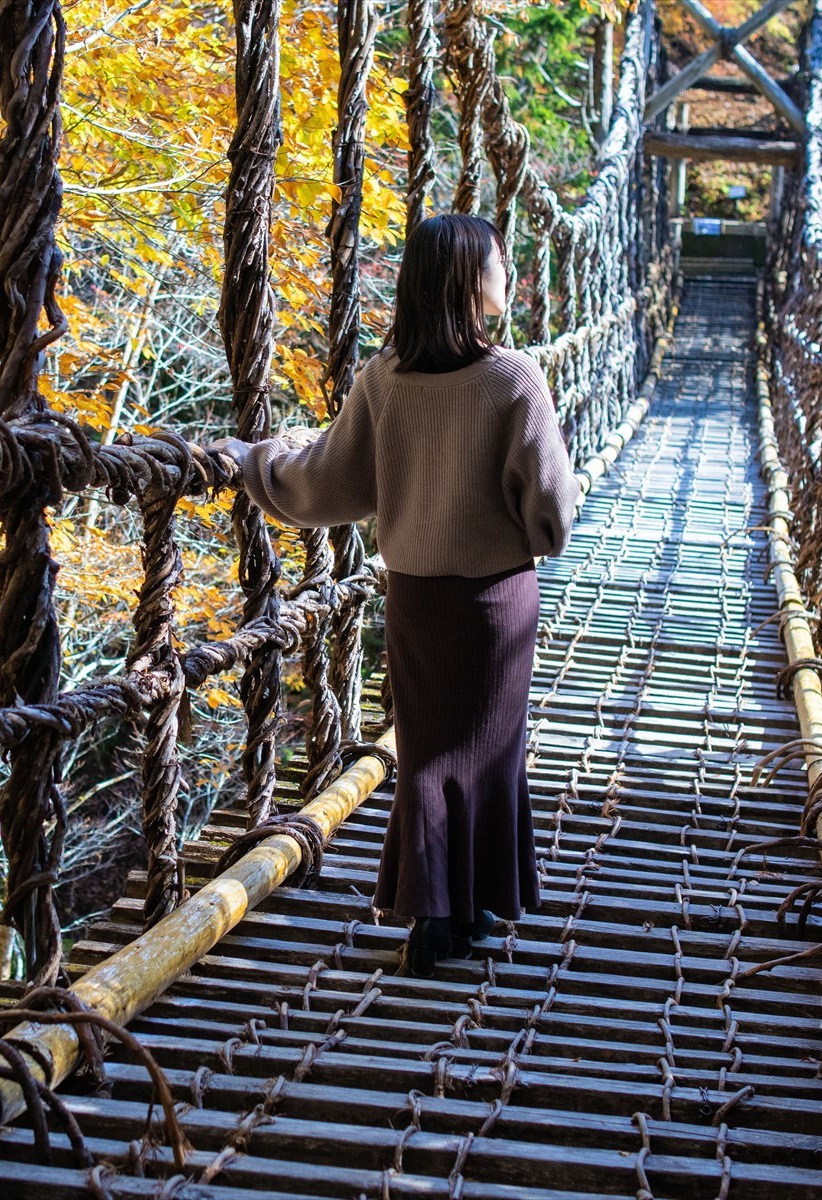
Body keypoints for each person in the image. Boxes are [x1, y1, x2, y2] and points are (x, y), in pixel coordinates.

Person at [211, 213, 580, 977]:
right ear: (471, 282)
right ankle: (470, 908)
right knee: (490, 751)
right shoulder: (515, 378)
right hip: (496, 601)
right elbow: (551, 517)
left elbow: (326, 481)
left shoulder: (383, 380)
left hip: (414, 596)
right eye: (499, 264)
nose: (508, 277)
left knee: (426, 753)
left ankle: (434, 916)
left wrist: (257, 460)